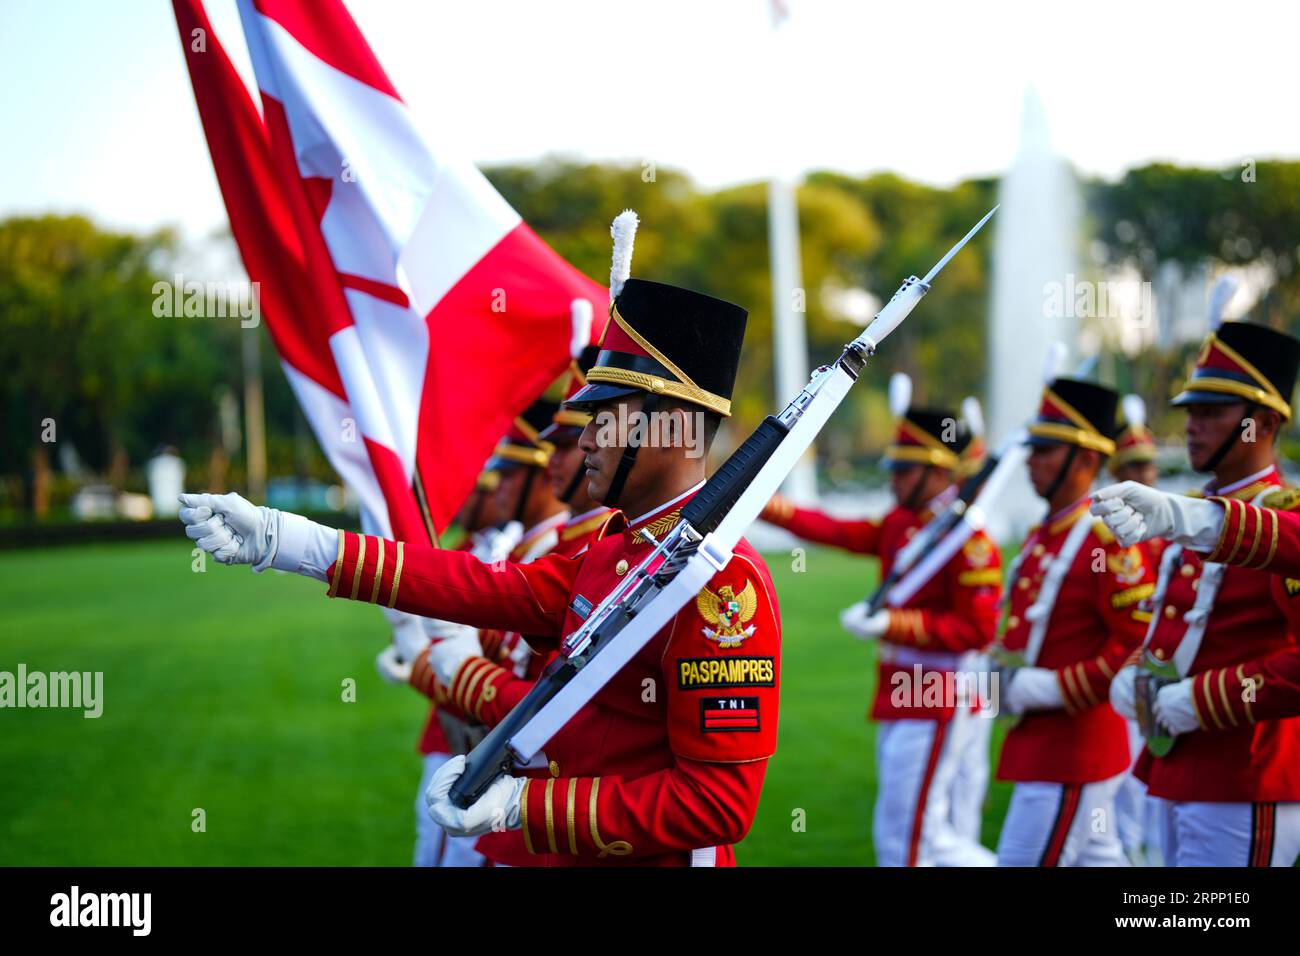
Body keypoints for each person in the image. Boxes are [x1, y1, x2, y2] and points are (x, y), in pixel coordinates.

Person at [179, 236, 783, 866]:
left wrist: (527, 806)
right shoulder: (617, 552)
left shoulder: (720, 585)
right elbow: (481, 586)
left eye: (606, 416)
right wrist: (299, 544)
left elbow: (717, 804)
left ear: (671, 424)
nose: (588, 439)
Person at [1091, 321, 1300, 865]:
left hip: (1246, 772)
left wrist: (1204, 701)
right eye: (1192, 411)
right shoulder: (1194, 513)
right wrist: (1139, 668)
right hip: (1176, 761)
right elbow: (1182, 628)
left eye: (1213, 413)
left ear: (1265, 422)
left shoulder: (1283, 520)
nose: (1193, 426)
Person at [761, 395, 1001, 866]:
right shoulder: (902, 523)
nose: (892, 478)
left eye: (905, 469)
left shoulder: (966, 538)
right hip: (901, 692)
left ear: (938, 472)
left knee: (906, 840)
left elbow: (977, 629)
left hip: (938, 694)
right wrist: (765, 506)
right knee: (913, 833)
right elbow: (837, 532)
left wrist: (893, 623)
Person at [993, 377, 1155, 867]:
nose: (1030, 460)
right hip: (1049, 745)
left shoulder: (1107, 539)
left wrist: (1049, 688)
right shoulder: (1047, 532)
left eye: (1045, 449)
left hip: (1072, 748)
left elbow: (1137, 642)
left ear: (1085, 460)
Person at [1106, 394, 1166, 865]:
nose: (1144, 475)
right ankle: (1128, 849)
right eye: (1134, 467)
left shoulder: (1171, 526)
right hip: (1126, 664)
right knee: (1127, 771)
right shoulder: (1109, 536)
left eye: (1148, 467)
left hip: (1168, 666)